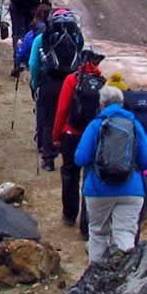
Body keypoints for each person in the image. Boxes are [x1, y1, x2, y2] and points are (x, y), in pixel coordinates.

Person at [75, 85, 147, 263]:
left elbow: (80, 158)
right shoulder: (134, 125)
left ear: (102, 104)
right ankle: (124, 279)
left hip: (98, 190)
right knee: (125, 233)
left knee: (98, 233)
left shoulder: (96, 125)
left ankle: (93, 278)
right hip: (131, 190)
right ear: (122, 103)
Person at [51, 48, 109, 232]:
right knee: (90, 177)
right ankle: (86, 224)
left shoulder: (72, 80)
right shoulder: (103, 83)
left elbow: (62, 110)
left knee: (69, 173)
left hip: (72, 134)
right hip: (94, 135)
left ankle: (69, 215)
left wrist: (56, 135)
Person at [19, 5, 82, 170]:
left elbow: (33, 63)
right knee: (70, 118)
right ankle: (69, 155)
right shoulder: (76, 36)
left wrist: (35, 83)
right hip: (72, 81)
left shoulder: (43, 37)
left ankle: (48, 158)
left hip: (50, 81)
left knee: (49, 120)